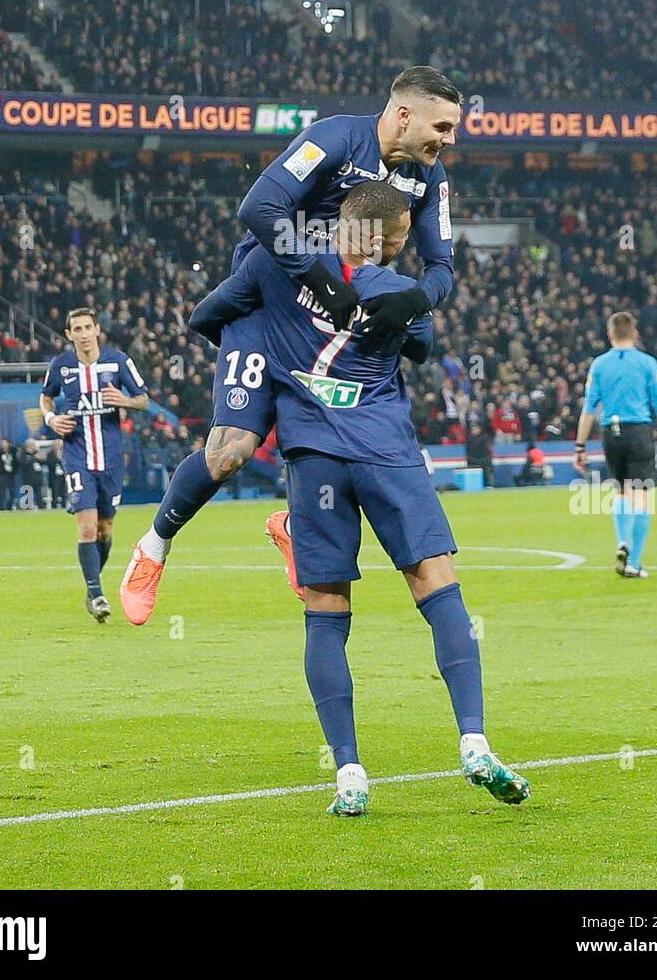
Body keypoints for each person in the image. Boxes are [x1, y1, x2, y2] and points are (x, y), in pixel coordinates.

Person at [185, 181, 530, 815]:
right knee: (437, 585)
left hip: (314, 458)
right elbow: (422, 345)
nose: (405, 247)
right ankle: (474, 741)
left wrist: (261, 349)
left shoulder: (274, 271)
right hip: (386, 452)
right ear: (382, 236)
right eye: (400, 237)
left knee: (325, 609)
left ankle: (348, 774)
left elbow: (207, 315)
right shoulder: (396, 291)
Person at [121, 66, 462, 622]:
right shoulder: (334, 139)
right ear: (404, 113)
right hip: (274, 298)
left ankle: (295, 525)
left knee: (337, 437)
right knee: (231, 450)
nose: (449, 140)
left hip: (341, 311)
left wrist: (416, 300)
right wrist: (314, 275)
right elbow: (259, 209)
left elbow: (442, 266)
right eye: (443, 126)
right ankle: (153, 547)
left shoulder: (430, 180)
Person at [40, 307, 149, 623]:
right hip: (77, 455)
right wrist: (51, 419)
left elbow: (142, 399)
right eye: (77, 329)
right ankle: (98, 594)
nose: (84, 333)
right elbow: (46, 398)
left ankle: (92, 589)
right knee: (87, 526)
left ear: (97, 329)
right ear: (69, 334)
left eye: (88, 327)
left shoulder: (118, 361)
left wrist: (125, 401)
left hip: (112, 458)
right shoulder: (61, 366)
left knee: (105, 528)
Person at [574, 312, 657, 579]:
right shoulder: (647, 363)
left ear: (610, 334)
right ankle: (634, 562)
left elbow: (589, 408)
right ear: (635, 334)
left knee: (621, 491)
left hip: (610, 432)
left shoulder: (599, 365)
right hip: (638, 430)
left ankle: (622, 540)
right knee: (641, 494)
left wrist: (580, 446)